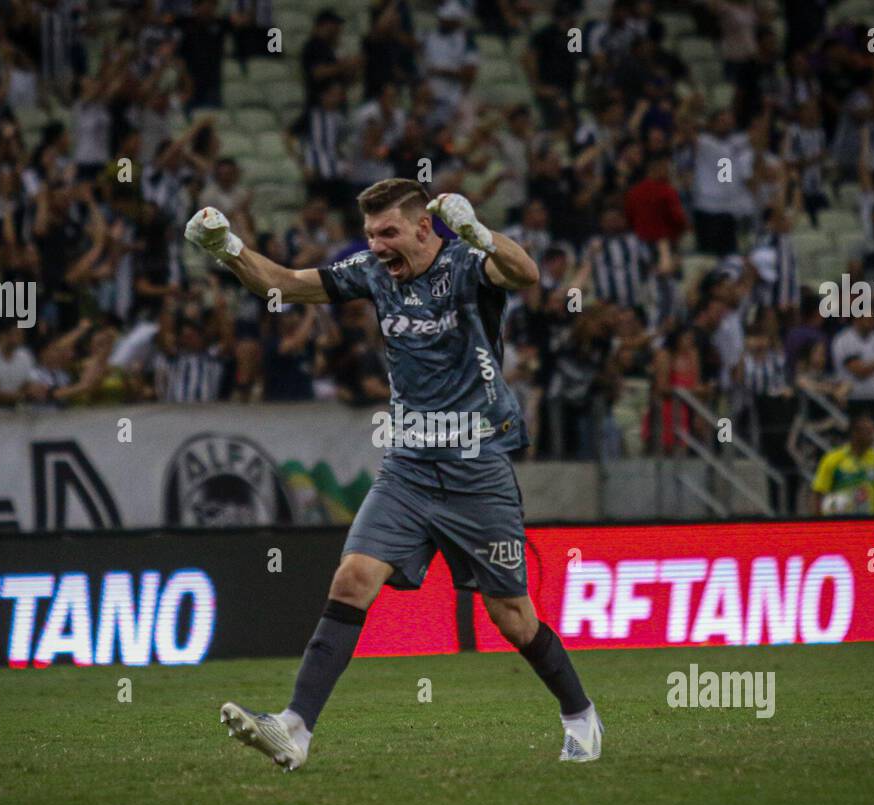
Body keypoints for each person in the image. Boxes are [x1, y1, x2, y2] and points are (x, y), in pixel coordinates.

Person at [184, 178, 602, 770]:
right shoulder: (373, 272)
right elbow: (284, 284)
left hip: (476, 465)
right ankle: (295, 728)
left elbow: (526, 273)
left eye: (388, 233)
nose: (377, 246)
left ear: (423, 228)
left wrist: (480, 233)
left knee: (512, 617)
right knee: (352, 577)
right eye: (370, 235)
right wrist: (227, 247)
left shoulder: (465, 265)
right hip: (407, 466)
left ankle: (580, 714)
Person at [811, 414, 874, 516]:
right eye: (868, 432)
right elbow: (818, 493)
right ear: (855, 433)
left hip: (868, 524)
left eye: (873, 431)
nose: (873, 436)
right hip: (840, 523)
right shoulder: (833, 459)